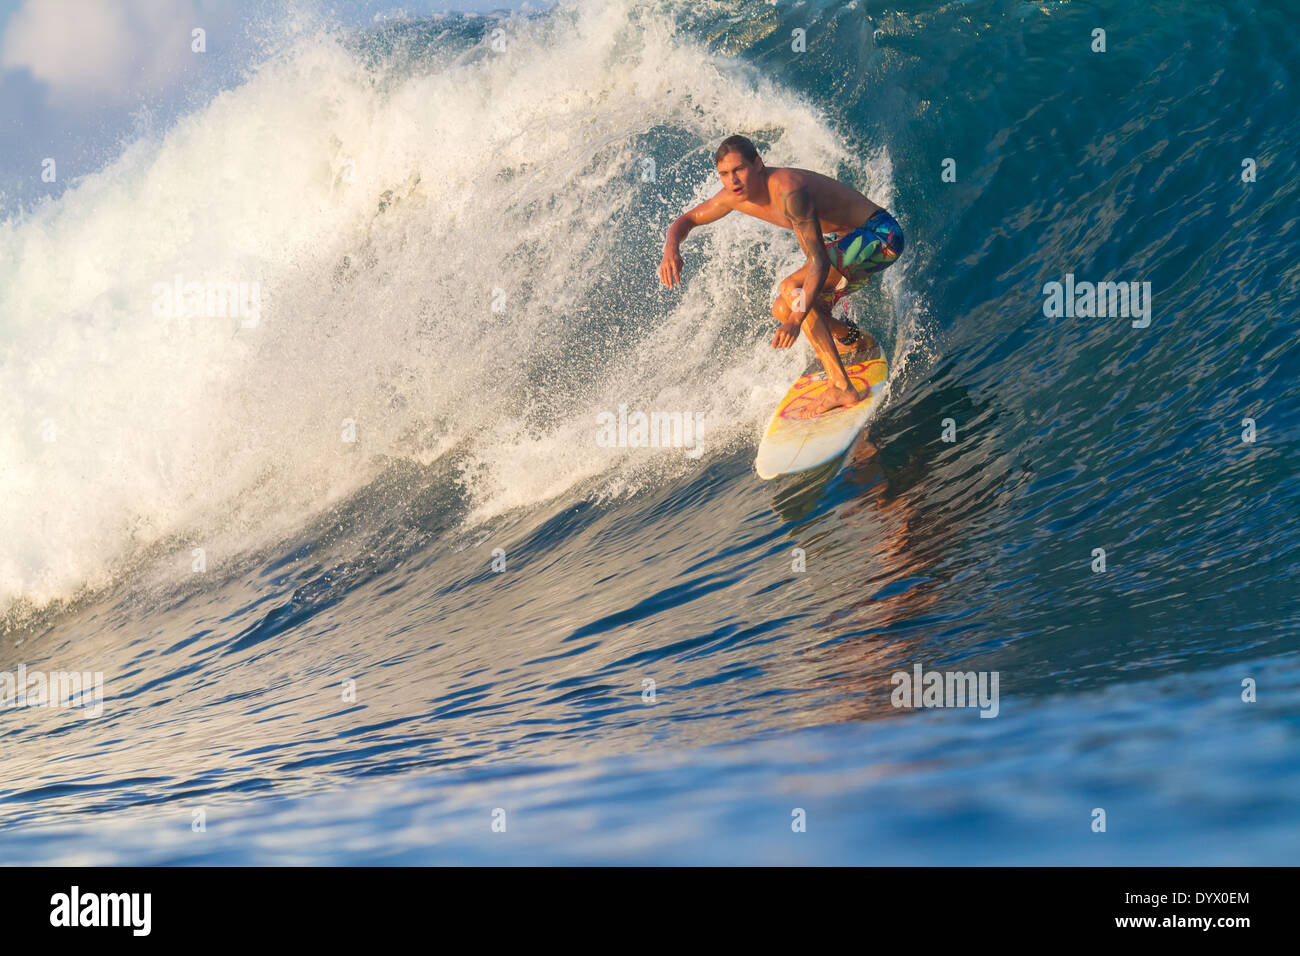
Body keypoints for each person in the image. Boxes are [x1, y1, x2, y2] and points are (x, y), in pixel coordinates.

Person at [659, 135, 904, 416]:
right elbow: (688, 220)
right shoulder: (732, 197)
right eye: (724, 174)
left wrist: (796, 320)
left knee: (791, 289)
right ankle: (853, 339)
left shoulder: (789, 192)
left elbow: (819, 264)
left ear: (759, 164)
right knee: (782, 307)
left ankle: (841, 386)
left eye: (739, 169)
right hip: (848, 243)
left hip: (881, 236)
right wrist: (671, 248)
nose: (732, 180)